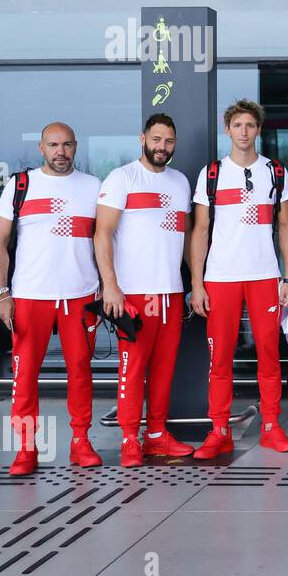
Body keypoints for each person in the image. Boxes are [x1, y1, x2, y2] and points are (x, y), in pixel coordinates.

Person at [0, 122, 102, 475]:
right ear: (41, 148)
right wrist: (2, 293)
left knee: (81, 373)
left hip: (80, 296)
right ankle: (25, 448)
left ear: (76, 146)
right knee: (25, 378)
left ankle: (80, 442)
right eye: (53, 145)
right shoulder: (20, 185)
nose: (60, 152)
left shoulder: (93, 187)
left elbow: (108, 241)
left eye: (67, 144)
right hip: (30, 295)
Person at [189, 99, 288, 458]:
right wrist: (197, 284)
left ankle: (271, 427)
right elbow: (200, 230)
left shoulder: (275, 172)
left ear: (258, 129)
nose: (244, 132)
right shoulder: (212, 174)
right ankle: (218, 430)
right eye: (237, 126)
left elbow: (285, 227)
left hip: (265, 276)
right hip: (221, 278)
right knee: (219, 359)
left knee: (269, 355)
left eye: (250, 125)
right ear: (228, 130)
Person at [94, 114, 195, 466]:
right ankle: (128, 439)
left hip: (171, 292)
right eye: (156, 140)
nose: (162, 147)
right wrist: (110, 286)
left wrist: (193, 283)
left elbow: (185, 239)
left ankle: (156, 436)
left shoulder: (181, 182)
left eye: (168, 141)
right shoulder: (122, 178)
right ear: (143, 139)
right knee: (133, 371)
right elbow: (102, 233)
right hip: (133, 294)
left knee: (165, 370)